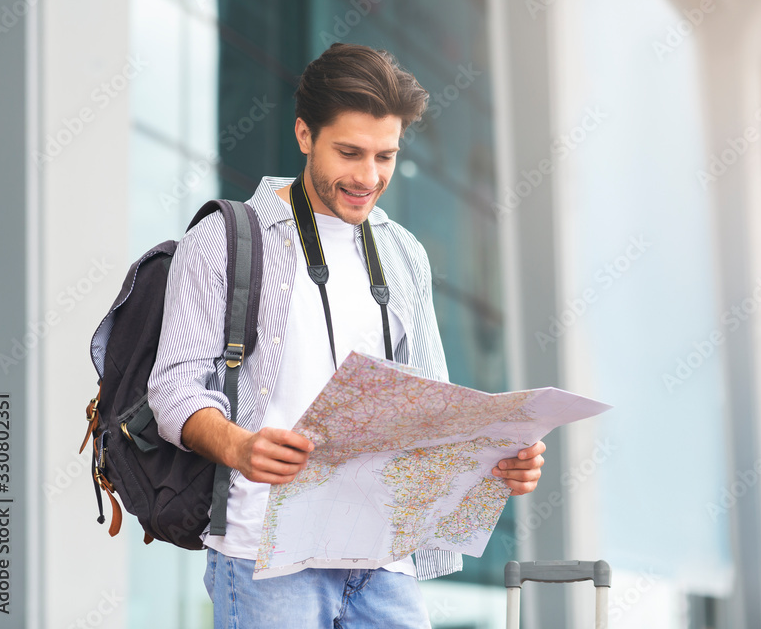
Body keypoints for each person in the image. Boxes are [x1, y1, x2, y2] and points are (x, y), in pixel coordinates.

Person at [147, 43, 546, 628]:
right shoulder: (225, 239)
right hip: (266, 559)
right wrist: (238, 446)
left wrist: (494, 461)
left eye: (385, 156)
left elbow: (435, 406)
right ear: (305, 135)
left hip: (385, 560)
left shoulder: (404, 254)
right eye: (350, 153)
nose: (368, 177)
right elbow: (173, 387)